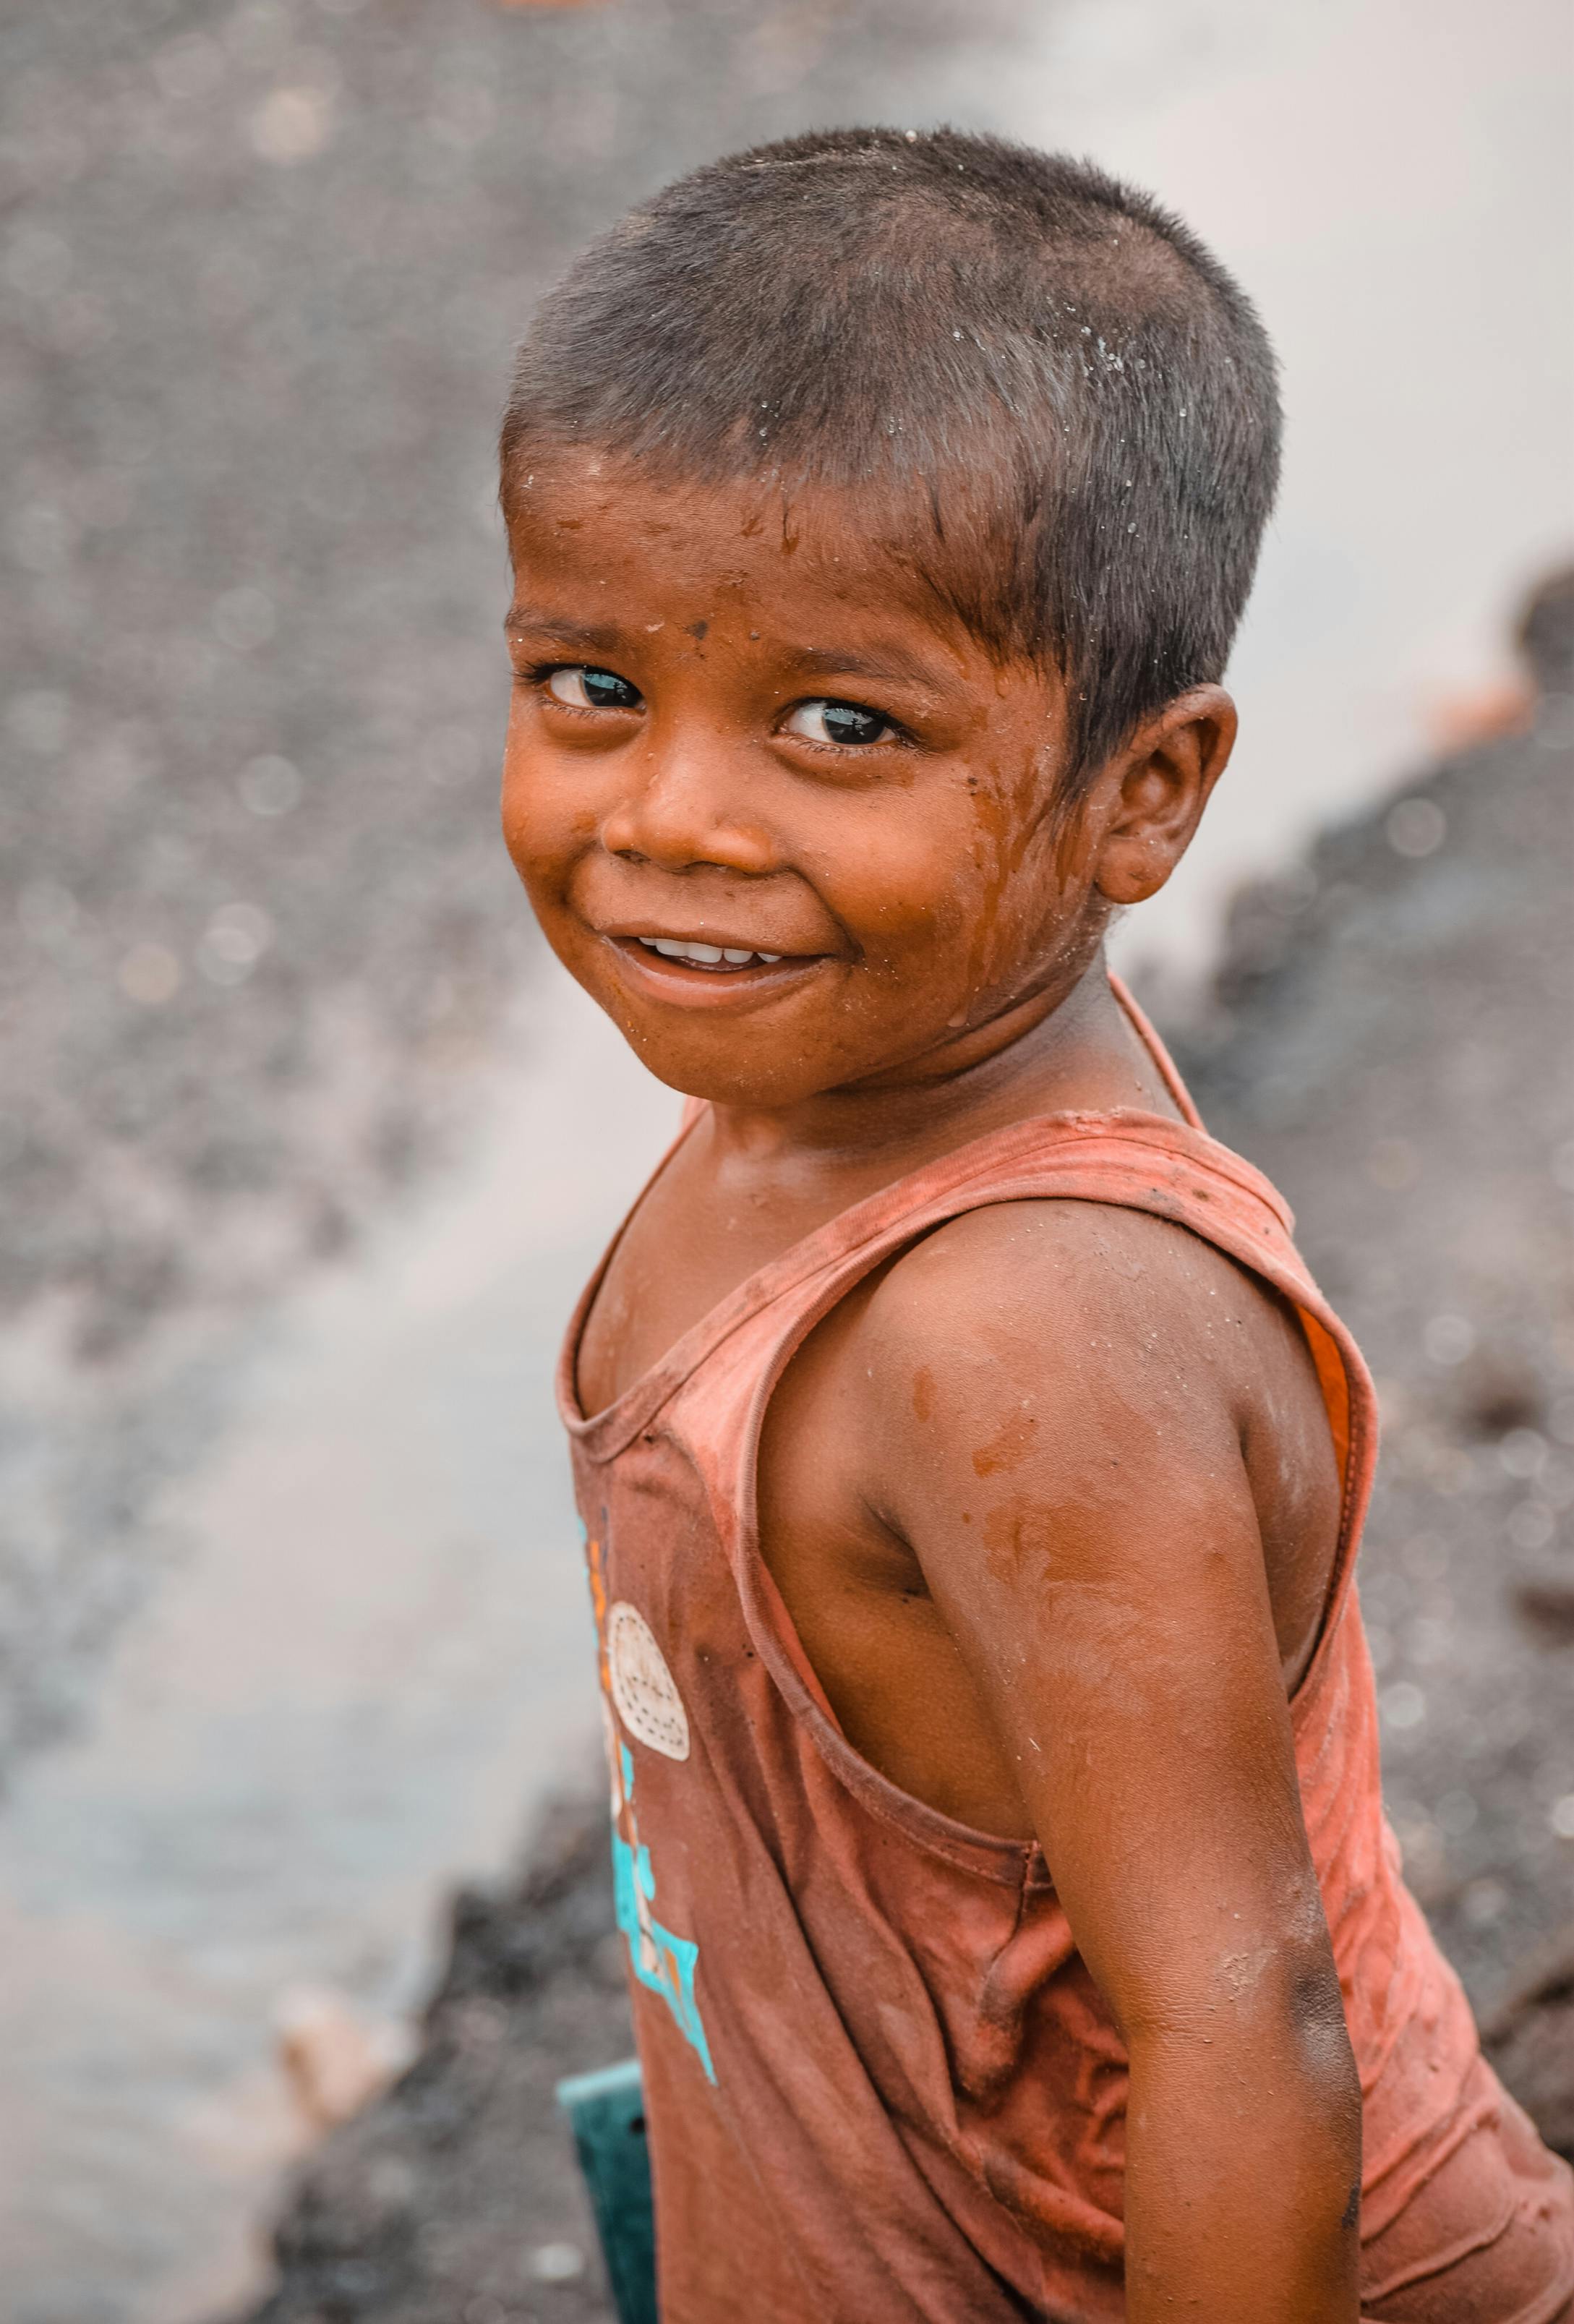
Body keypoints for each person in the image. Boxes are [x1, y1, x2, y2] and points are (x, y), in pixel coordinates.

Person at [497, 129, 1574, 2322]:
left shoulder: (1026, 1324)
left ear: (1142, 794)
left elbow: (1236, 2024)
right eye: (593, 686)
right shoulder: (814, 1076)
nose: (672, 817)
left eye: (837, 723)